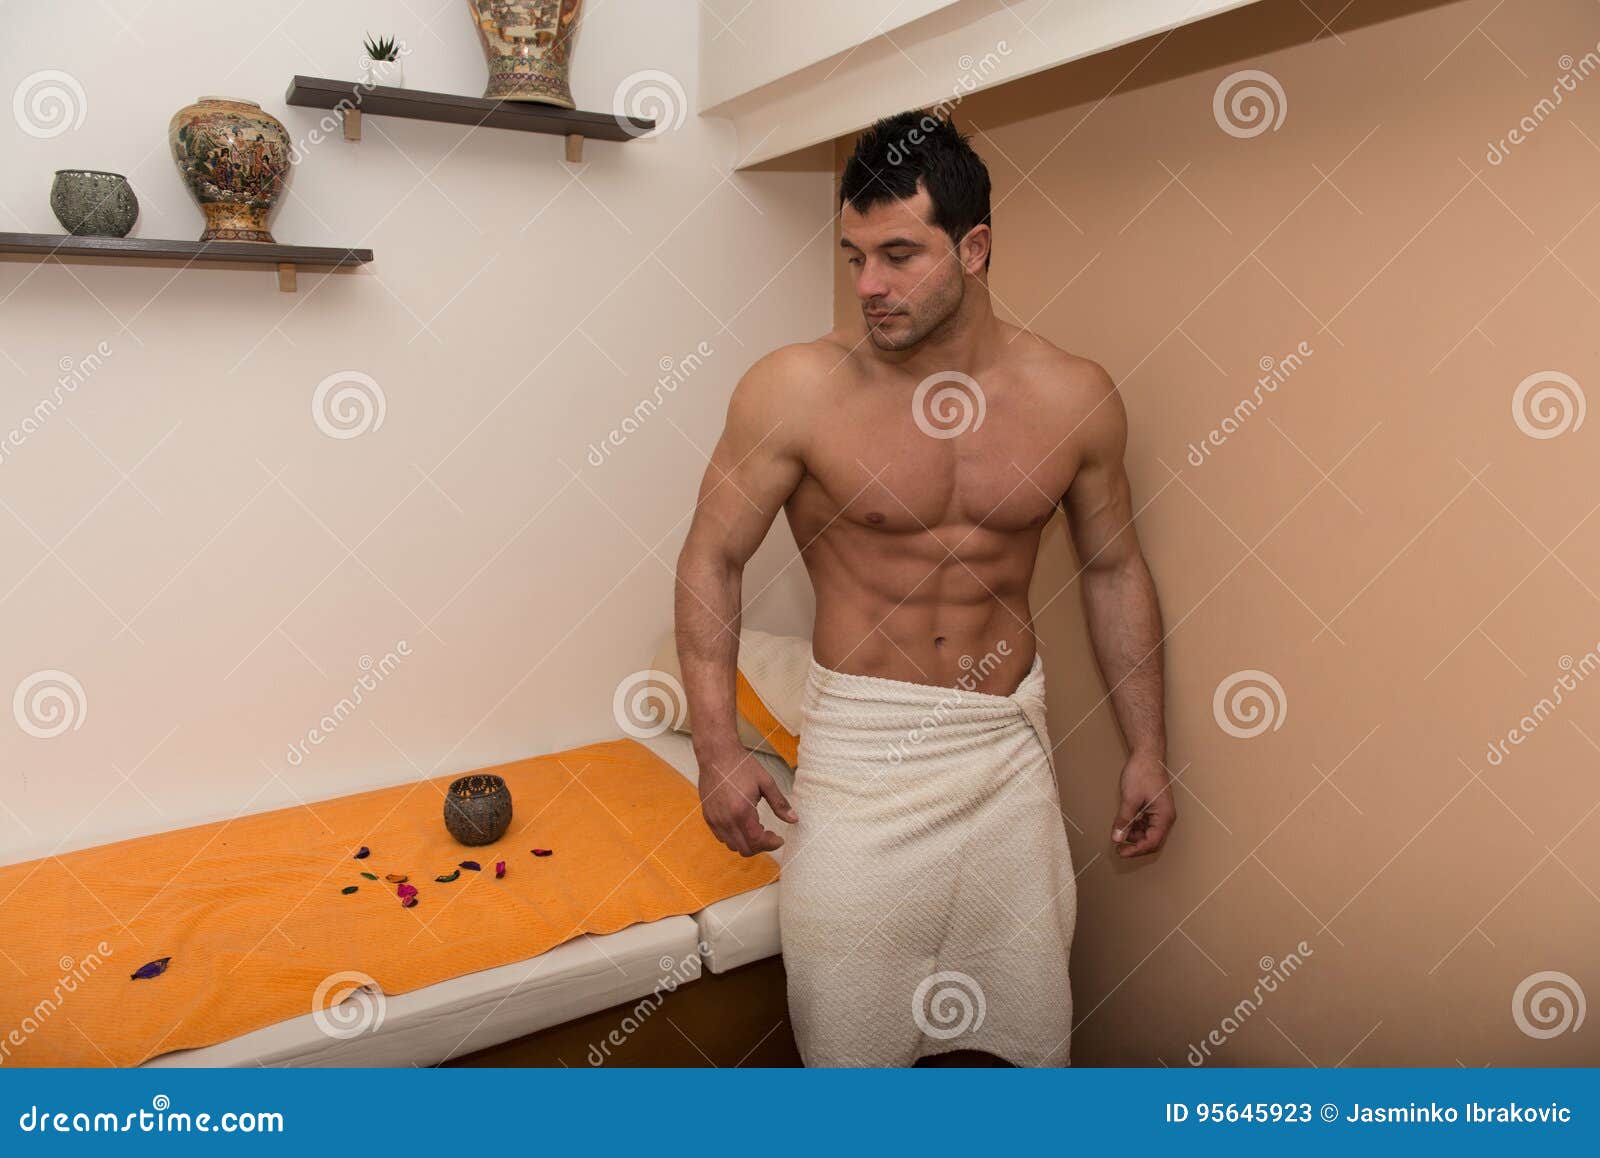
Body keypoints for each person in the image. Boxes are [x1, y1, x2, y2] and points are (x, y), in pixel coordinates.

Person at [674, 109, 1173, 1067]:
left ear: (975, 247)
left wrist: (1148, 748)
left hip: (1003, 761)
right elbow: (711, 558)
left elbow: (1114, 571)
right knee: (851, 1045)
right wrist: (716, 749)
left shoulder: (1075, 395)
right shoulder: (795, 390)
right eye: (854, 256)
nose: (870, 286)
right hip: (863, 761)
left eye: (900, 255)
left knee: (1021, 1044)